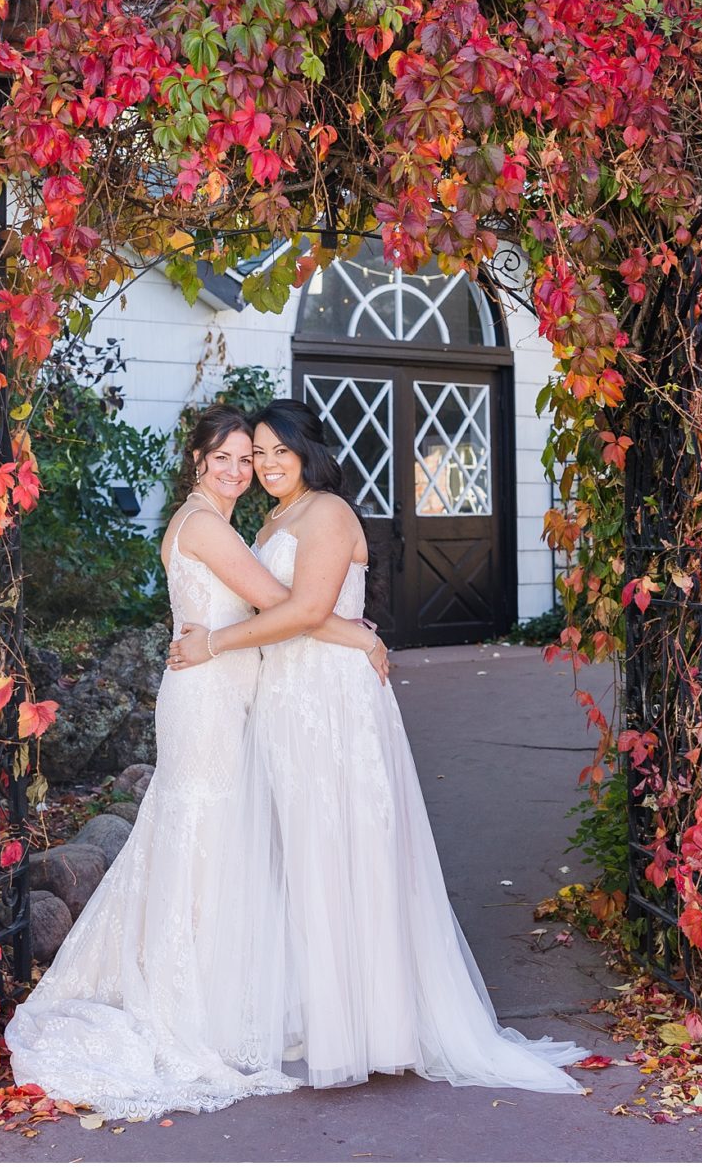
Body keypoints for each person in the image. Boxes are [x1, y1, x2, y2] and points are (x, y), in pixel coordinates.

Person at [167, 398, 587, 1094]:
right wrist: (352, 629)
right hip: (285, 695)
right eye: (256, 454)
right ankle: (323, 1014)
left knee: (345, 847)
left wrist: (213, 642)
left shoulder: (326, 511)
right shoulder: (271, 517)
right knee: (302, 853)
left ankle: (377, 1028)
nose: (266, 465)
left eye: (277, 451)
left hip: (330, 699)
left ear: (308, 451)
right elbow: (284, 607)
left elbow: (303, 612)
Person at [2, 405, 388, 1119]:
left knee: (205, 836)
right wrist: (360, 635)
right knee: (204, 835)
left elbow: (264, 608)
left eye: (250, 459)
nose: (240, 471)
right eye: (227, 459)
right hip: (209, 696)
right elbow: (283, 604)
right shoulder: (208, 526)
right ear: (196, 460)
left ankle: (213, 984)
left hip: (220, 692)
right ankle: (188, 1002)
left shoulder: (211, 521)